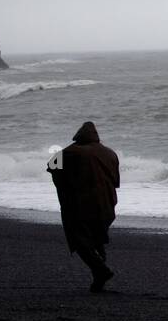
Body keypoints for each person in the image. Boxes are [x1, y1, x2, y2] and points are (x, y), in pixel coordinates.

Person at [47, 121, 120, 292]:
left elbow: (52, 167)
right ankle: (99, 276)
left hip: (81, 204)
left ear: (79, 136)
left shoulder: (72, 152)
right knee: (97, 238)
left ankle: (100, 271)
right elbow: (115, 182)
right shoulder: (111, 153)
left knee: (79, 240)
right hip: (107, 205)